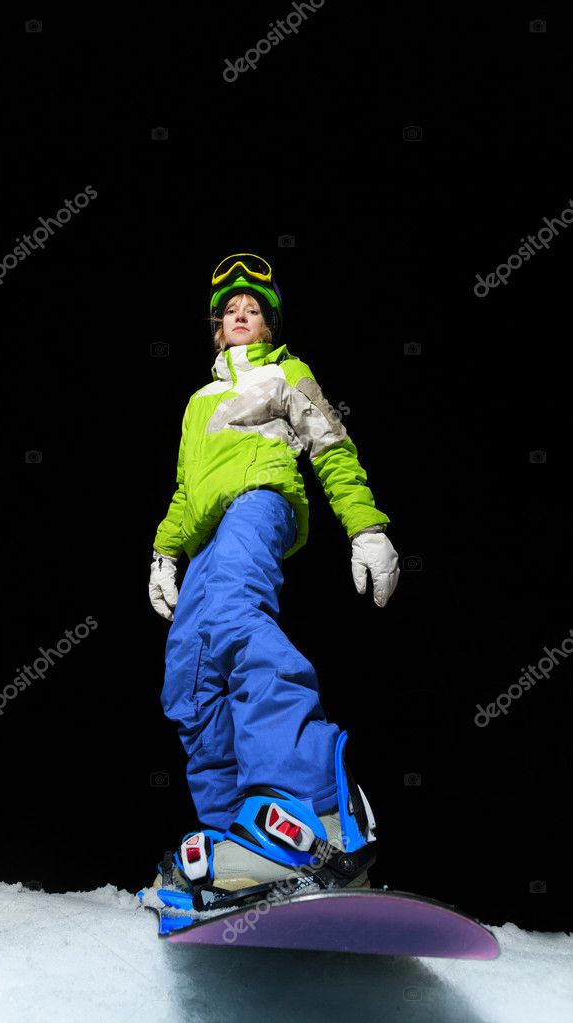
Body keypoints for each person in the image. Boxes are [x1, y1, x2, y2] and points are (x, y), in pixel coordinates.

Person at [147, 253, 400, 900]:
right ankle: (237, 845)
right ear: (216, 327)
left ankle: (310, 808)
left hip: (261, 502)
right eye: (230, 310)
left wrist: (365, 527)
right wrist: (165, 553)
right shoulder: (198, 400)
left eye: (252, 309)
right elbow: (185, 489)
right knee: (189, 677)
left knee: (235, 617)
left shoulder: (285, 373)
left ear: (268, 326)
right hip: (205, 538)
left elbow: (332, 446)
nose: (240, 314)